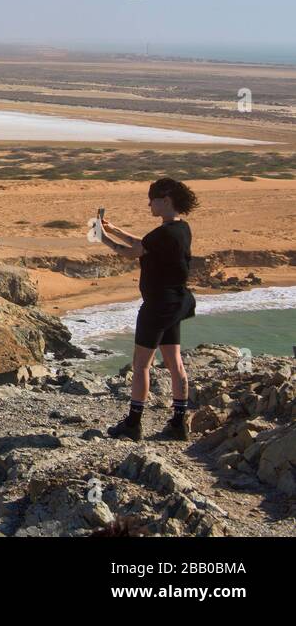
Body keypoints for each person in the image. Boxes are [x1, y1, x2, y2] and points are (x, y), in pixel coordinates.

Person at [99, 178, 199, 441]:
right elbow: (142, 242)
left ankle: (133, 423)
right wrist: (114, 229)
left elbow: (132, 252)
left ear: (165, 200)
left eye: (152, 199)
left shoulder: (162, 234)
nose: (149, 204)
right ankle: (178, 423)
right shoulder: (181, 229)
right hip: (178, 302)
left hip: (157, 306)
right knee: (174, 362)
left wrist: (102, 238)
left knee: (141, 365)